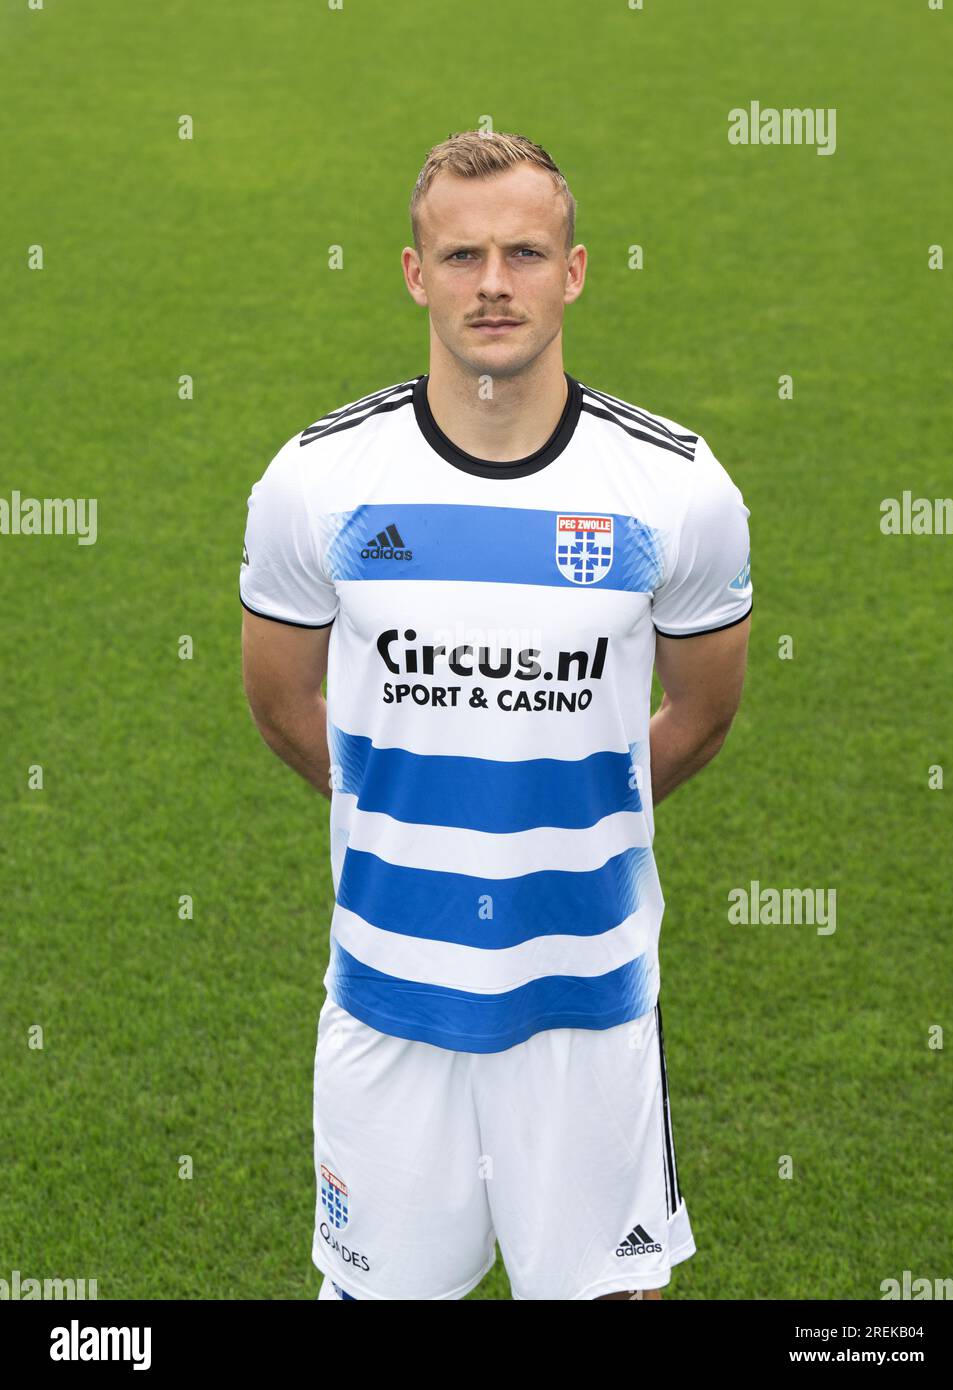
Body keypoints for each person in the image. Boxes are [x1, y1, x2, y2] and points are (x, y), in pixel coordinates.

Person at [239, 130, 752, 1301]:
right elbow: (278, 699)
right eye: (460, 254)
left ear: (572, 271)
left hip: (585, 998)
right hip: (386, 991)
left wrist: (552, 803)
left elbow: (702, 711)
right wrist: (413, 796)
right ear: (414, 274)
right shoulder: (318, 482)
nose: (492, 284)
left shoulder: (675, 490)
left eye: (524, 252)